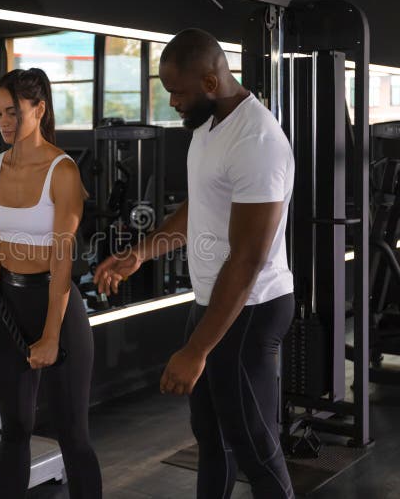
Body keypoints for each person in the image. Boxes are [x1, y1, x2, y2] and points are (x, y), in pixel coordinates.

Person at [94, 29, 296, 499]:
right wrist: (141, 253)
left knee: (255, 450)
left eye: (178, 93)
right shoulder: (208, 127)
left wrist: (197, 350)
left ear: (210, 81)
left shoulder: (256, 138)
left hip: (249, 310)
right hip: (212, 302)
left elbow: (247, 259)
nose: (173, 104)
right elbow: (198, 207)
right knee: (213, 440)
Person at [0, 68, 102, 499]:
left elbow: (63, 259)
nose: (3, 121)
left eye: (13, 112)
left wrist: (50, 335)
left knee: (72, 436)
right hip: (8, 307)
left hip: (56, 309)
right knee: (15, 430)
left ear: (38, 110)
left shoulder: (62, 172)